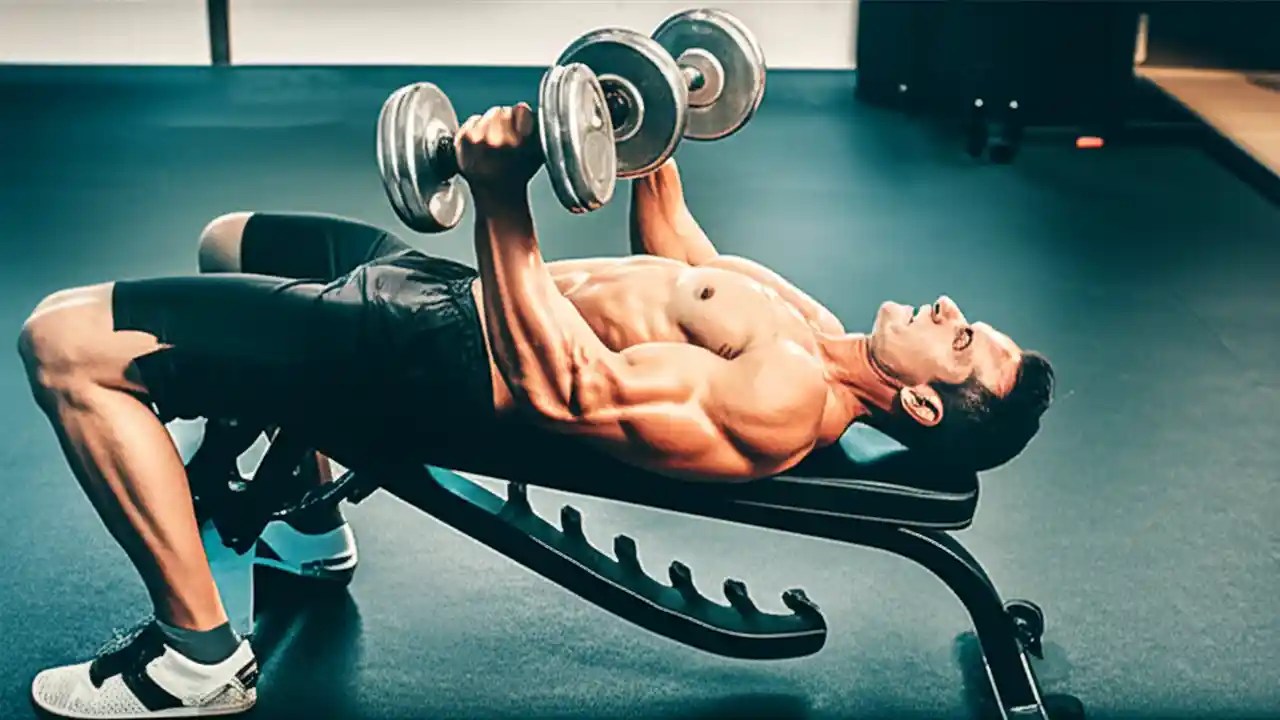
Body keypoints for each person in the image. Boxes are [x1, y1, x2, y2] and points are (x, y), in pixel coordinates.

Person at [18, 103, 1054, 719]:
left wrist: (502, 193)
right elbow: (677, 254)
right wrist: (652, 120)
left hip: (432, 356)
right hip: (446, 298)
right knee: (229, 237)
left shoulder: (781, 398)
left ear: (918, 397)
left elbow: (560, 390)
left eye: (962, 339)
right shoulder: (813, 331)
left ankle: (195, 659)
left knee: (64, 341)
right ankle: (307, 523)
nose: (951, 309)